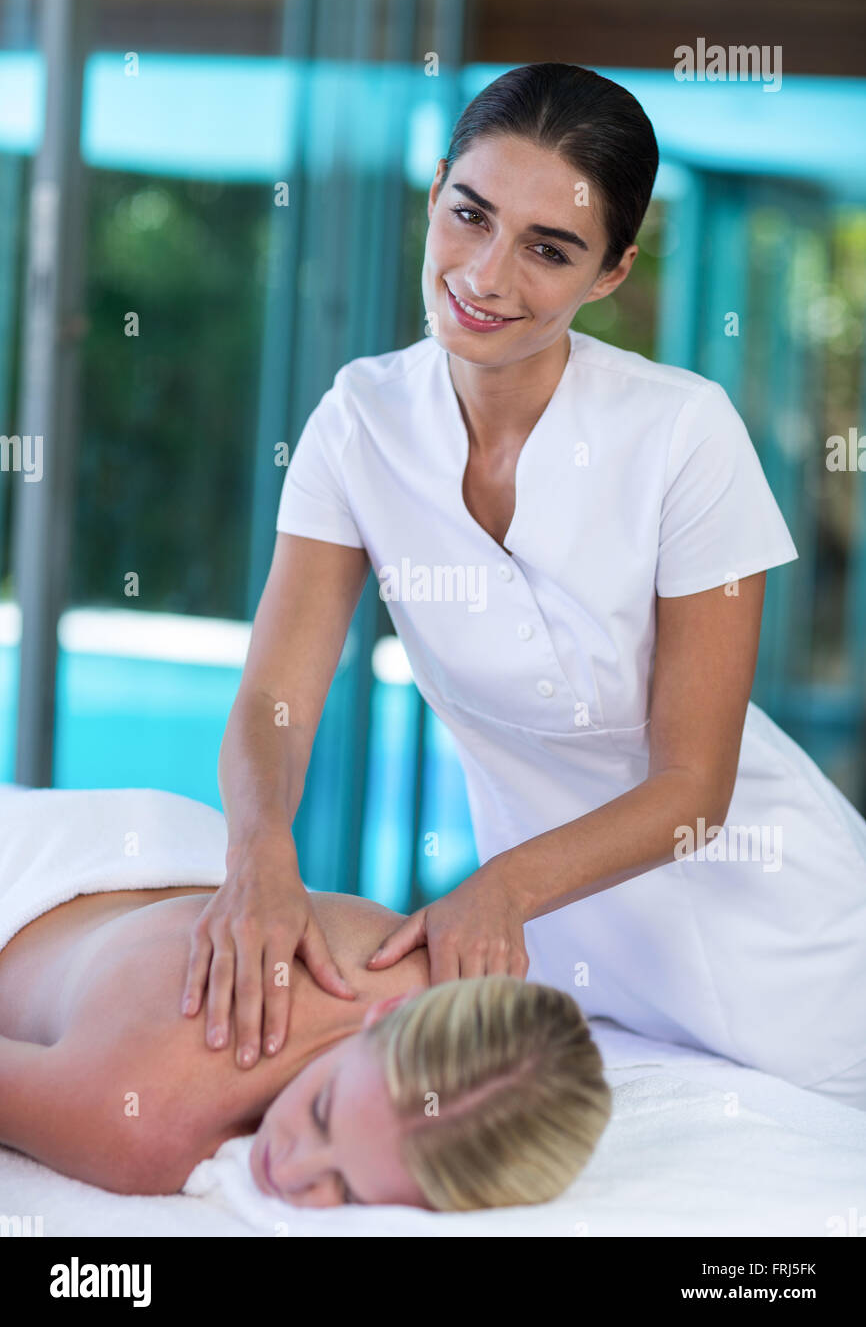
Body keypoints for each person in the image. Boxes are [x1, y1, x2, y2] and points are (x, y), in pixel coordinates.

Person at [184, 62, 866, 1107]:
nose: (486, 275)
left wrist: (498, 886)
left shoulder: (680, 433)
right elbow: (273, 700)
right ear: (436, 194)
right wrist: (258, 855)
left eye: (548, 250)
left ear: (609, 273)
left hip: (792, 937)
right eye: (471, 216)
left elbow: (693, 789)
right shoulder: (357, 423)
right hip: (566, 953)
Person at [0, 785, 611, 1209]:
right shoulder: (143, 1120)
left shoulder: (447, 991)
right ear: (389, 1015)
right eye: (322, 1111)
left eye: (347, 1190)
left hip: (178, 838)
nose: (288, 1170)